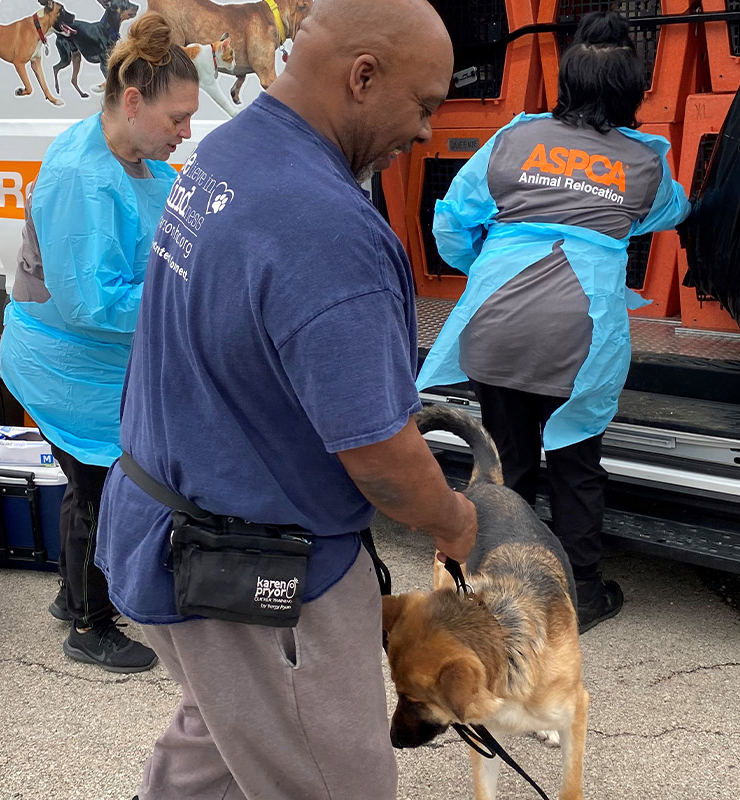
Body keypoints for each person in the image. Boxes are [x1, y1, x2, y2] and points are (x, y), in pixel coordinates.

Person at [95, 0, 477, 797]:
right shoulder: (326, 227)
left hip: (159, 528)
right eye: (425, 104)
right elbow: (377, 454)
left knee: (224, 745)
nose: (428, 134)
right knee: (336, 784)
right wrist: (454, 521)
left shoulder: (233, 149)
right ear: (363, 77)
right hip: (253, 577)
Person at [416, 11, 690, 634]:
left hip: (499, 318)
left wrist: (485, 265)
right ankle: (580, 594)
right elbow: (668, 213)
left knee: (505, 460)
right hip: (583, 335)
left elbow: (451, 221)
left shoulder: (513, 139)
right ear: (632, 88)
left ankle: (490, 588)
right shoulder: (645, 163)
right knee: (574, 462)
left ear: (565, 80)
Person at [0, 12, 199, 673]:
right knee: (100, 487)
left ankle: (70, 593)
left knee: (93, 483)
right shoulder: (84, 178)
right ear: (134, 101)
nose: (185, 132)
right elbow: (93, 304)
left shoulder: (127, 156)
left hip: (89, 364)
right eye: (177, 118)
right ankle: (90, 625)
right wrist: (185, 304)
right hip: (67, 368)